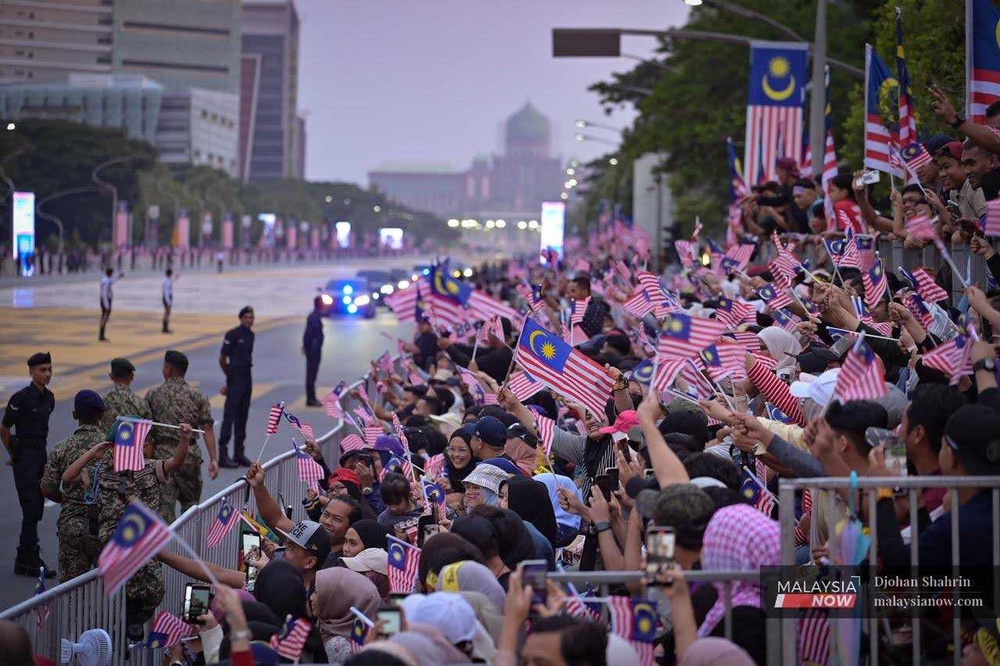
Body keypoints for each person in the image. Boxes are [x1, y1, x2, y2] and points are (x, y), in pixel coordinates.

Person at [39, 390, 107, 583]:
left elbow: (46, 488)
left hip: (72, 526)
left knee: (71, 591)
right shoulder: (112, 448)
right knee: (112, 590)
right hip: (104, 525)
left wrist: (64, 499)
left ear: (75, 415)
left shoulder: (62, 448)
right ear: (101, 415)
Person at [145, 350, 219, 522]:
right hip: (189, 456)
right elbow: (207, 428)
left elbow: (147, 433)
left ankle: (165, 547)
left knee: (164, 510)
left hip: (163, 457)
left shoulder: (153, 395)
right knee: (191, 508)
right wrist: (214, 459)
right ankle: (186, 545)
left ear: (169, 369)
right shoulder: (197, 395)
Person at [2, 352, 56, 577]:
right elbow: (5, 428)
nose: (47, 374)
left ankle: (24, 559)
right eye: (42, 370)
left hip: (40, 454)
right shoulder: (20, 398)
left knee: (37, 506)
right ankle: (29, 559)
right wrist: (14, 454)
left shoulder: (49, 398)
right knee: (31, 507)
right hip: (25, 456)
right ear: (31, 372)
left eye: (49, 369)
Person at [310, 566, 382, 663]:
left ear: (338, 601)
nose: (311, 598)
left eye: (316, 592)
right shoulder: (326, 625)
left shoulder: (338, 646)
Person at [219, 305, 256, 467]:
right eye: (247, 317)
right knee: (229, 418)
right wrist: (229, 378)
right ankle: (223, 455)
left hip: (247, 379)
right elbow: (222, 359)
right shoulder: (232, 334)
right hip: (235, 380)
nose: (249, 319)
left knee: (243, 417)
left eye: (251, 317)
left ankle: (238, 453)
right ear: (241, 318)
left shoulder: (251, 336)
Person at [99, 357, 151, 432]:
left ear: (111, 376)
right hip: (132, 443)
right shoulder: (140, 403)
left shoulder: (102, 401)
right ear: (132, 376)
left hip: (107, 443)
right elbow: (148, 430)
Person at [303, 296, 325, 407]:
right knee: (311, 375)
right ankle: (310, 398)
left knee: (312, 374)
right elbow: (309, 334)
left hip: (313, 348)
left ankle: (311, 397)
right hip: (314, 350)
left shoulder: (315, 316)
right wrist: (306, 347)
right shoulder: (314, 317)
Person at [98, 267, 122, 341]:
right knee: (104, 318)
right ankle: (101, 335)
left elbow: (112, 281)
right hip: (106, 300)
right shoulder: (106, 281)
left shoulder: (106, 280)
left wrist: (118, 277)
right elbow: (104, 293)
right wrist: (107, 304)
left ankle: (102, 334)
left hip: (106, 300)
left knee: (105, 318)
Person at [162, 268, 178, 334]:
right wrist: (168, 301)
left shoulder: (167, 280)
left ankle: (165, 328)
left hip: (167, 297)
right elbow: (166, 292)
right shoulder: (167, 281)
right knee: (167, 313)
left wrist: (176, 278)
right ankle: (165, 328)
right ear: (170, 274)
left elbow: (172, 281)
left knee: (167, 313)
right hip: (167, 298)